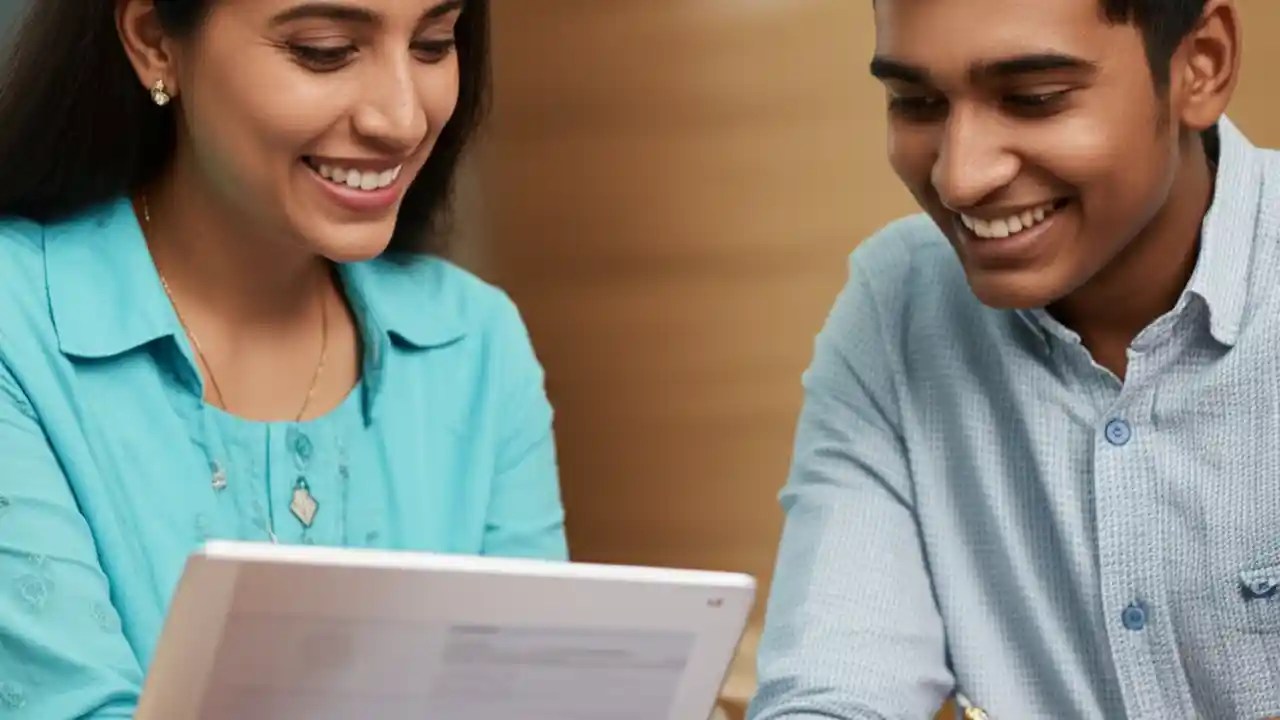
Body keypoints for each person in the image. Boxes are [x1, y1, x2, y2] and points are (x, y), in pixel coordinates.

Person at [0, 0, 567, 716]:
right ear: (153, 42)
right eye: (325, 50)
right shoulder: (17, 329)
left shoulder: (474, 347)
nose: (401, 117)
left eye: (432, 44)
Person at [749, 0, 1280, 717]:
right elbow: (834, 690)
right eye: (916, 102)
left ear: (1200, 64)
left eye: (1034, 100)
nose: (961, 178)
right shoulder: (896, 312)